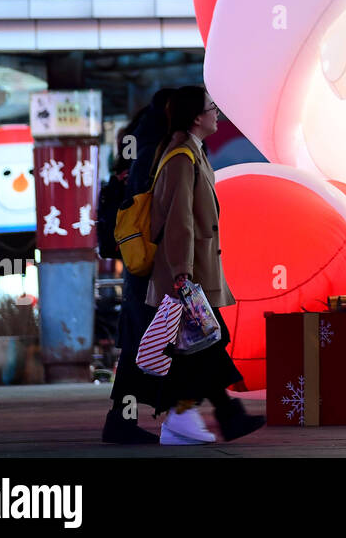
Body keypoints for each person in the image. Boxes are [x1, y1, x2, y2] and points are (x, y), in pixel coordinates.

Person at [145, 86, 264, 445]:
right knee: (206, 343)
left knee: (199, 347)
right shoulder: (183, 157)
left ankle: (191, 416)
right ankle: (213, 415)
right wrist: (182, 272)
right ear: (197, 117)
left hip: (192, 271)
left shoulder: (192, 152)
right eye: (212, 108)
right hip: (189, 274)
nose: (217, 114)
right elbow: (179, 218)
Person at [99, 106, 154, 444]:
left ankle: (123, 419)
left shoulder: (125, 165)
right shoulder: (144, 167)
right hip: (145, 271)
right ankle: (124, 420)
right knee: (138, 350)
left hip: (135, 269)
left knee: (136, 350)